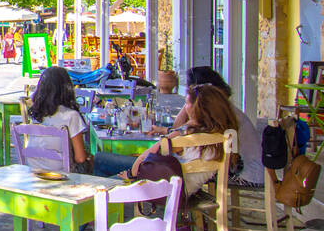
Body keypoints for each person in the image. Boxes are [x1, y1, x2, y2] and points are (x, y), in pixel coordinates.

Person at [111, 85, 241, 194]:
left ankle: (103, 213)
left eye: (187, 103)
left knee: (103, 162)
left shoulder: (183, 136)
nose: (185, 106)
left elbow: (143, 159)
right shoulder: (225, 134)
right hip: (190, 187)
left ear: (196, 108)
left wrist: (130, 175)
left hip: (168, 188)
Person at [168, 66, 263, 184]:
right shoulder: (221, 109)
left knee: (196, 166)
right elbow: (178, 129)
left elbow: (178, 129)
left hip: (247, 174)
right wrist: (190, 102)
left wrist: (192, 103)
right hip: (241, 167)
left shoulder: (220, 114)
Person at [25, 66, 92, 172]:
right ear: (67, 88)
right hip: (59, 171)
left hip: (33, 169)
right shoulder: (71, 116)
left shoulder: (36, 113)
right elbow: (80, 158)